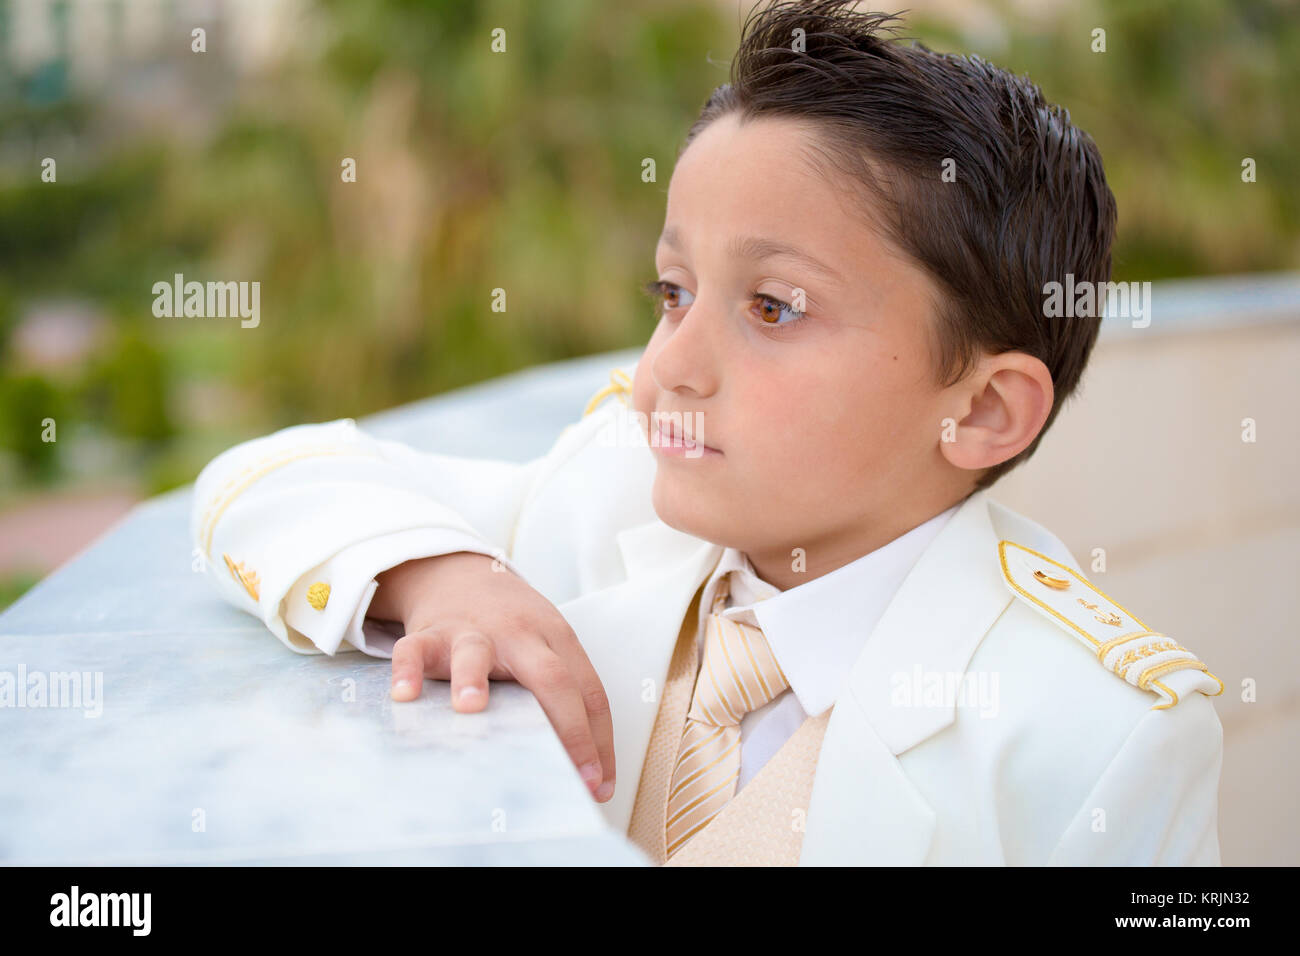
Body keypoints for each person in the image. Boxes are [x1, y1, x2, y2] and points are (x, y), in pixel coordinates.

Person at [189, 0, 1223, 865]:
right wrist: (450, 576)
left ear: (984, 410)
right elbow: (269, 474)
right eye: (672, 290)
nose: (665, 367)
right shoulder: (602, 497)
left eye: (772, 306)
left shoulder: (1099, 731)